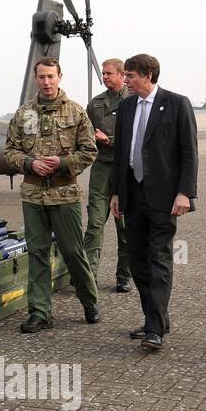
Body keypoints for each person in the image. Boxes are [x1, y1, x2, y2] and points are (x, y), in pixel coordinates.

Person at [4, 57, 102, 332]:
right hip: (33, 195)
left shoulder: (76, 112)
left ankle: (89, 300)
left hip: (65, 193)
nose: (46, 82)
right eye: (42, 77)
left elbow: (89, 151)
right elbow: (10, 150)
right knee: (37, 253)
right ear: (36, 79)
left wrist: (61, 163)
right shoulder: (23, 114)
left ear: (60, 77)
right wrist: (28, 163)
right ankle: (39, 311)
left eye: (51, 76)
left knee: (73, 252)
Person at [109, 54, 198, 351]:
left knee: (158, 258)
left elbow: (189, 152)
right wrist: (116, 192)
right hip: (133, 196)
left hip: (164, 197)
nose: (126, 80)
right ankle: (155, 317)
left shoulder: (176, 104)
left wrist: (185, 192)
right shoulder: (125, 107)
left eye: (130, 75)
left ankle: (155, 329)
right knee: (137, 261)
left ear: (147, 76)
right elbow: (121, 155)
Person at [83, 58, 132, 292]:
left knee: (124, 227)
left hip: (124, 169)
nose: (105, 77)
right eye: (103, 74)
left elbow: (136, 138)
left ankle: (124, 276)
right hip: (101, 168)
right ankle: (88, 275)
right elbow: (83, 134)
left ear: (122, 74)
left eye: (109, 73)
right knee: (94, 224)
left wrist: (108, 140)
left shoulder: (133, 101)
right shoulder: (95, 104)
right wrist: (94, 139)